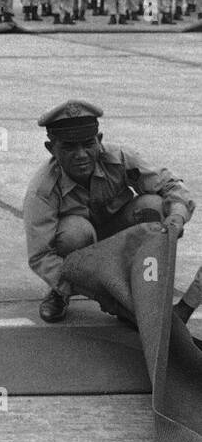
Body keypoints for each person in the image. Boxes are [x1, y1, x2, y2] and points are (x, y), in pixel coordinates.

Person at [23, 100, 201, 324]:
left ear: (99, 141)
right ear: (51, 149)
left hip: (117, 239)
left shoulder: (119, 158)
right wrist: (98, 292)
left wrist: (176, 217)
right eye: (68, 147)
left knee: (154, 206)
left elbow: (171, 187)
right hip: (80, 251)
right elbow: (41, 256)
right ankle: (60, 292)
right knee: (74, 232)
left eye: (88, 144)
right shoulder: (43, 190)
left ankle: (141, 287)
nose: (81, 154)